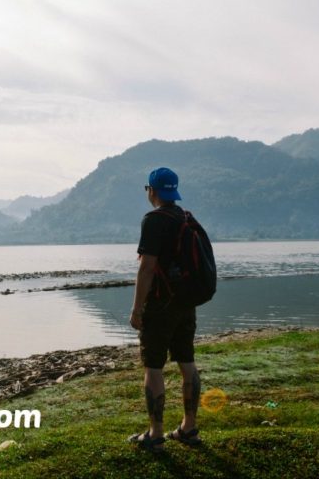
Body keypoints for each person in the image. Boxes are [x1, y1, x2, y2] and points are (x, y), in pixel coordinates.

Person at [128, 167, 202, 452]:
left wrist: (136, 309)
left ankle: (155, 433)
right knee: (187, 362)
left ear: (152, 191)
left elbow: (146, 268)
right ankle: (188, 428)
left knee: (154, 366)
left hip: (160, 305)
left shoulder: (154, 219)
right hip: (186, 303)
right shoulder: (185, 217)